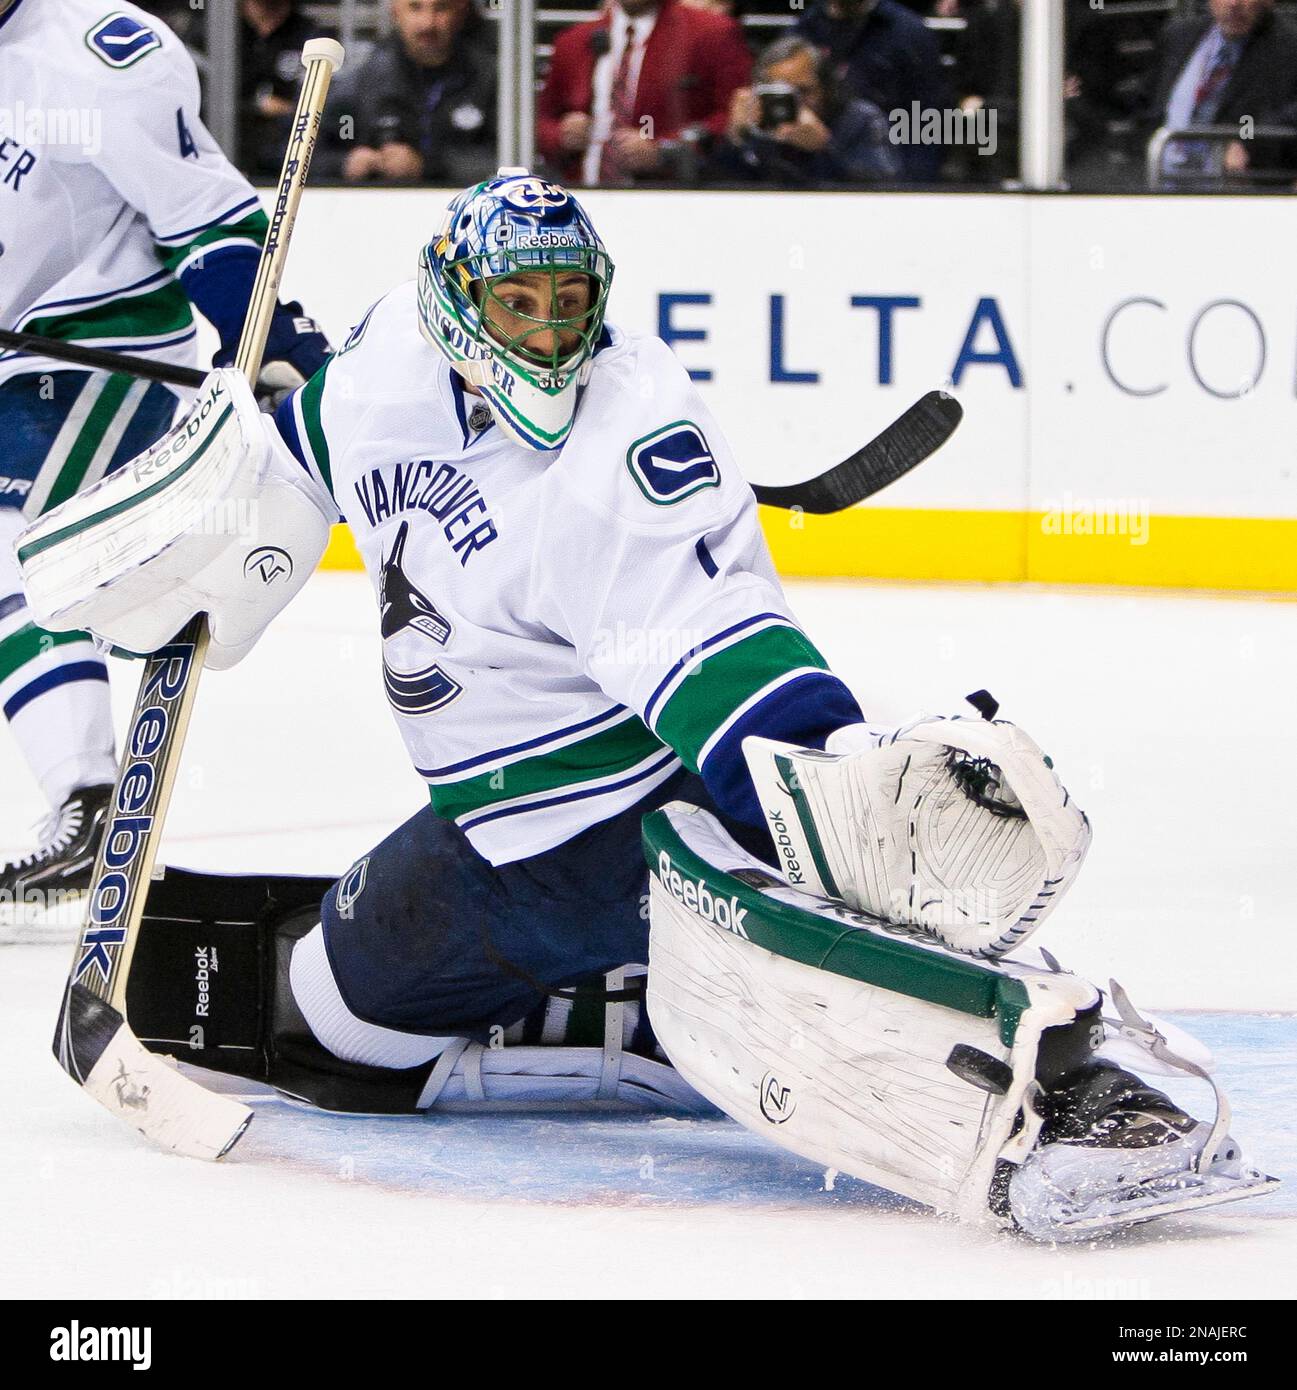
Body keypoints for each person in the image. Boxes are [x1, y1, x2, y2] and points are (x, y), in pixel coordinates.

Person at [21, 168, 1273, 1242]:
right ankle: (633, 985)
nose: (551, 335)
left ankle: (1047, 1050)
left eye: (572, 305)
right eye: (519, 304)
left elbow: (743, 685)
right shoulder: (385, 363)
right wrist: (198, 532)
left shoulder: (630, 444)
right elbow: (294, 462)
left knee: (338, 1030)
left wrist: (833, 795)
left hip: (606, 822)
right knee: (335, 1027)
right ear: (456, 306)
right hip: (490, 820)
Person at [0, 0, 330, 934]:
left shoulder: (97, 50)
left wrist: (270, 336)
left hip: (98, 348)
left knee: (13, 550)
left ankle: (90, 799)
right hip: (14, 362)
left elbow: (206, 219)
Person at [536, 0, 752, 185]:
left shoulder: (712, 33)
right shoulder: (572, 41)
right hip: (582, 202)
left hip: (676, 200)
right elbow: (539, 123)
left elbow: (737, 116)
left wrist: (664, 150)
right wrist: (560, 136)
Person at [321, 0, 496, 186]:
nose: (428, 23)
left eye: (441, 8)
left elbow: (508, 161)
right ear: (395, 11)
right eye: (415, 7)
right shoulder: (358, 82)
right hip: (372, 205)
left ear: (461, 12)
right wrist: (345, 163)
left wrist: (427, 166)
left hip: (466, 205)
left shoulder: (491, 80)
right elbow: (308, 153)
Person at [710, 34, 901, 185]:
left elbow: (883, 190)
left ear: (826, 89)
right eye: (781, 94)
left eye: (803, 91)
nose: (794, 103)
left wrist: (824, 150)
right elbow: (719, 194)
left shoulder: (860, 120)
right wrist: (734, 140)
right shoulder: (757, 121)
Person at [1141, 0, 1297, 183]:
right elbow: (1147, 104)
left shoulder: (1288, 47)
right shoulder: (1179, 35)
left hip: (1234, 189)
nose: (1233, 3)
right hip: (1158, 183)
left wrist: (1248, 141)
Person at [796, 0, 953, 180]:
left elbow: (929, 122)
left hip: (891, 172)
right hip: (810, 174)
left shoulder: (909, 33)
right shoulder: (805, 29)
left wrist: (913, 190)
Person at [238, 0, 335, 179]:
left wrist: (288, 110)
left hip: (292, 162)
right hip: (228, 155)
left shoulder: (316, 38)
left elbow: (329, 109)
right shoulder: (216, 34)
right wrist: (254, 106)